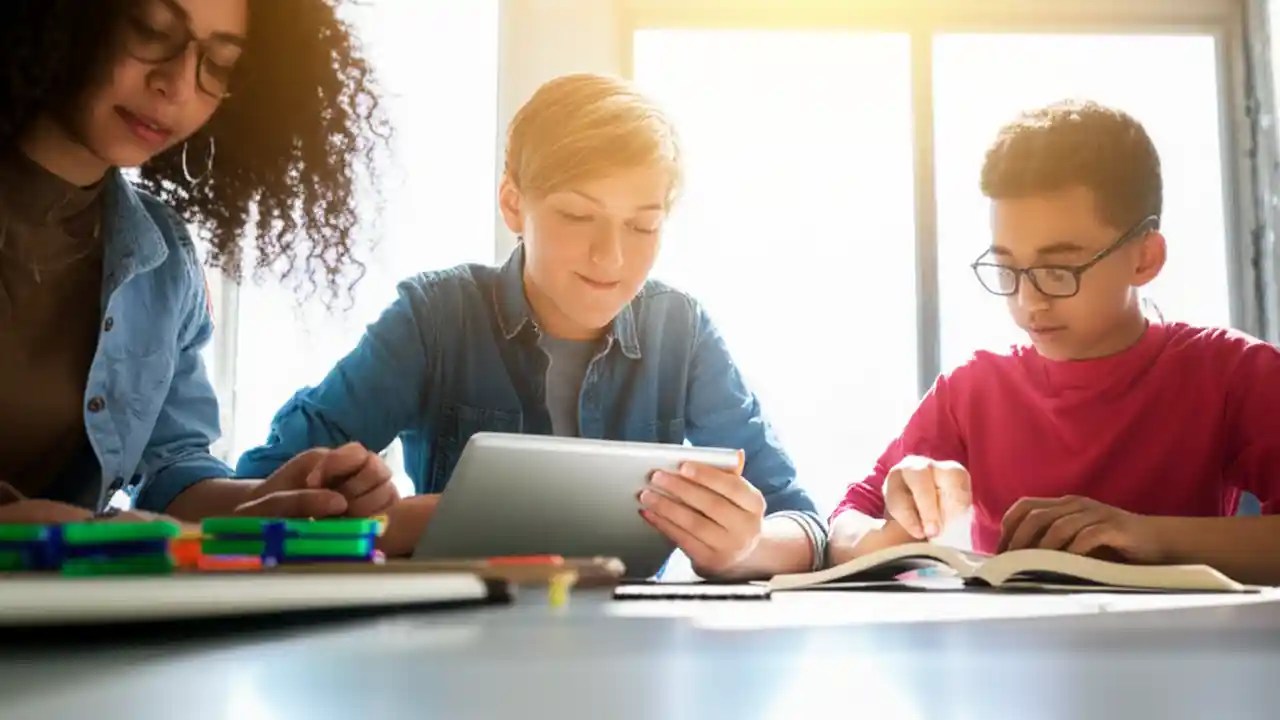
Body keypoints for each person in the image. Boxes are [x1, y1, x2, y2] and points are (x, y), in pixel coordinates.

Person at [237, 73, 826, 578]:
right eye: (576, 215)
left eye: (642, 227)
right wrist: (401, 523)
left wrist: (745, 547)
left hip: (632, 652)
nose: (612, 258)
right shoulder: (435, 319)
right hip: (459, 653)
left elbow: (805, 524)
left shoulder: (683, 330)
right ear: (514, 204)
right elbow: (259, 503)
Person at [827, 100, 1280, 585]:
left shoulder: (1234, 373)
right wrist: (898, 528)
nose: (1029, 301)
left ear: (1145, 258)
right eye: (1007, 269)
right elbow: (844, 526)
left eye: (1058, 270)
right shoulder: (971, 391)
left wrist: (1149, 537)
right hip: (1009, 652)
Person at [0, 0, 398, 525]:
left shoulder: (164, 256)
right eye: (150, 31)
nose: (178, 86)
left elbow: (173, 472)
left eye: (219, 64)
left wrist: (268, 498)